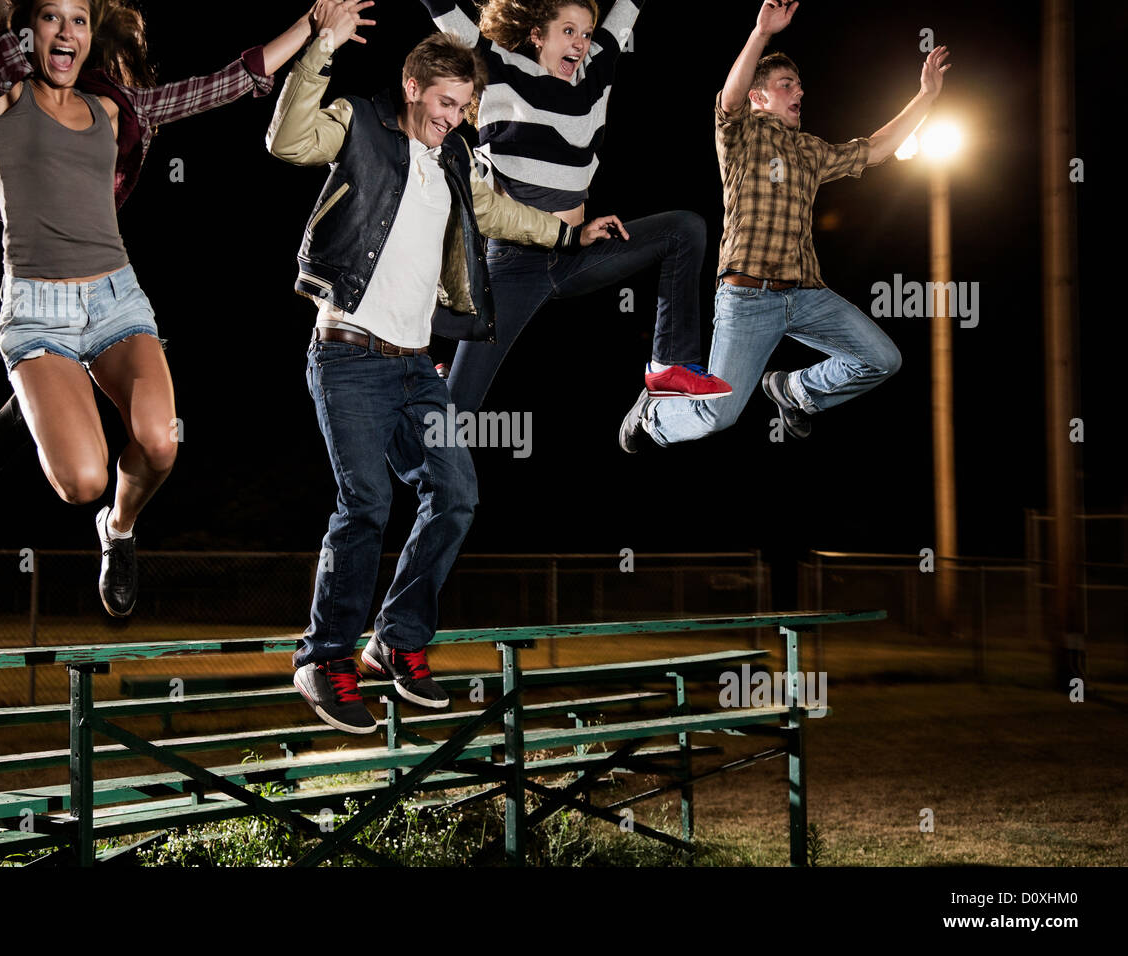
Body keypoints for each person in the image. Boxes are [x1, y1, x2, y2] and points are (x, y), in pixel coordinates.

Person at [268, 4, 625, 733]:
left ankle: (395, 641)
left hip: (414, 372)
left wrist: (567, 230)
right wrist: (322, 46)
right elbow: (286, 139)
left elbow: (498, 214)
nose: (452, 119)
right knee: (365, 503)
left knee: (457, 494)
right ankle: (324, 655)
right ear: (410, 86)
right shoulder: (360, 125)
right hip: (347, 357)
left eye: (464, 108)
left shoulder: (458, 158)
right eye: (443, 104)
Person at [0, 0, 324, 615]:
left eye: (79, 20)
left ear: (91, 33)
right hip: (37, 314)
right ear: (28, 29)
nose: (67, 33)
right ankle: (34, 397)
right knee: (83, 482)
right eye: (52, 17)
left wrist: (315, 28)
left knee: (160, 445)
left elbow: (226, 85)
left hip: (116, 302)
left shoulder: (115, 108)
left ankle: (119, 530)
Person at [619, 0, 951, 451]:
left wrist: (926, 96)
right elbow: (729, 99)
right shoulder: (741, 133)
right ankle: (655, 413)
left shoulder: (810, 150)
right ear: (761, 97)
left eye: (799, 85)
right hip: (747, 297)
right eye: (786, 84)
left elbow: (875, 149)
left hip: (806, 294)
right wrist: (761, 35)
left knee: (882, 358)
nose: (799, 92)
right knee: (718, 414)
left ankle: (795, 391)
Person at [417, 0, 732, 422]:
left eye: (586, 34)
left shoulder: (597, 68)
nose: (580, 44)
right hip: (516, 261)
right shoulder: (500, 68)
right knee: (457, 413)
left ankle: (669, 365)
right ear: (537, 35)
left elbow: (629, 7)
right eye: (568, 32)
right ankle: (426, 387)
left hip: (579, 251)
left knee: (684, 229)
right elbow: (447, 15)